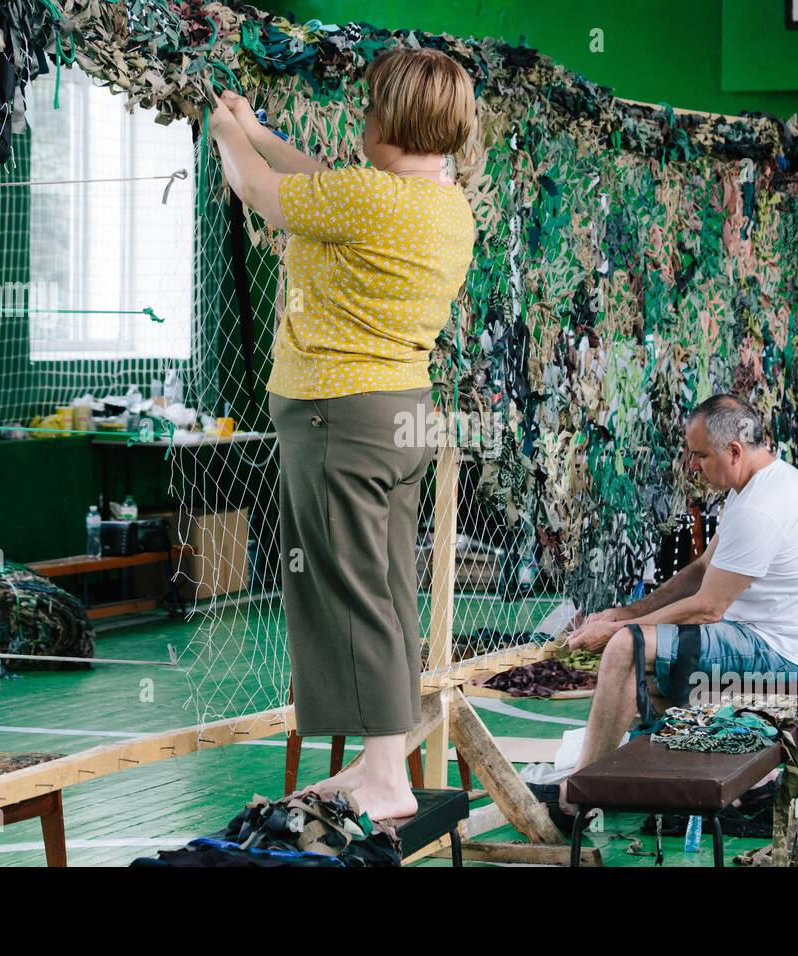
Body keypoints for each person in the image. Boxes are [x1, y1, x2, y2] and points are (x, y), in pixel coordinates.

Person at [206, 48, 477, 820]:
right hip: (399, 415)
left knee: (345, 591)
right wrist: (257, 129)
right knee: (385, 594)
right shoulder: (440, 201)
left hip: (340, 416)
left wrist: (228, 133)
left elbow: (263, 194)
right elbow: (318, 181)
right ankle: (381, 762)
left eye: (367, 109)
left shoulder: (369, 200)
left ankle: (386, 778)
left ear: (388, 122)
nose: (359, 121)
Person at [558, 394, 798, 814]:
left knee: (625, 649)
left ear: (734, 451)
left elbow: (708, 608)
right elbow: (700, 570)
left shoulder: (761, 506)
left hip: (787, 652)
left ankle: (579, 791)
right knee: (639, 669)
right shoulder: (755, 484)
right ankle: (632, 778)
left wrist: (618, 630)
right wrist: (628, 612)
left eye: (700, 455)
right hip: (781, 640)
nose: (693, 466)